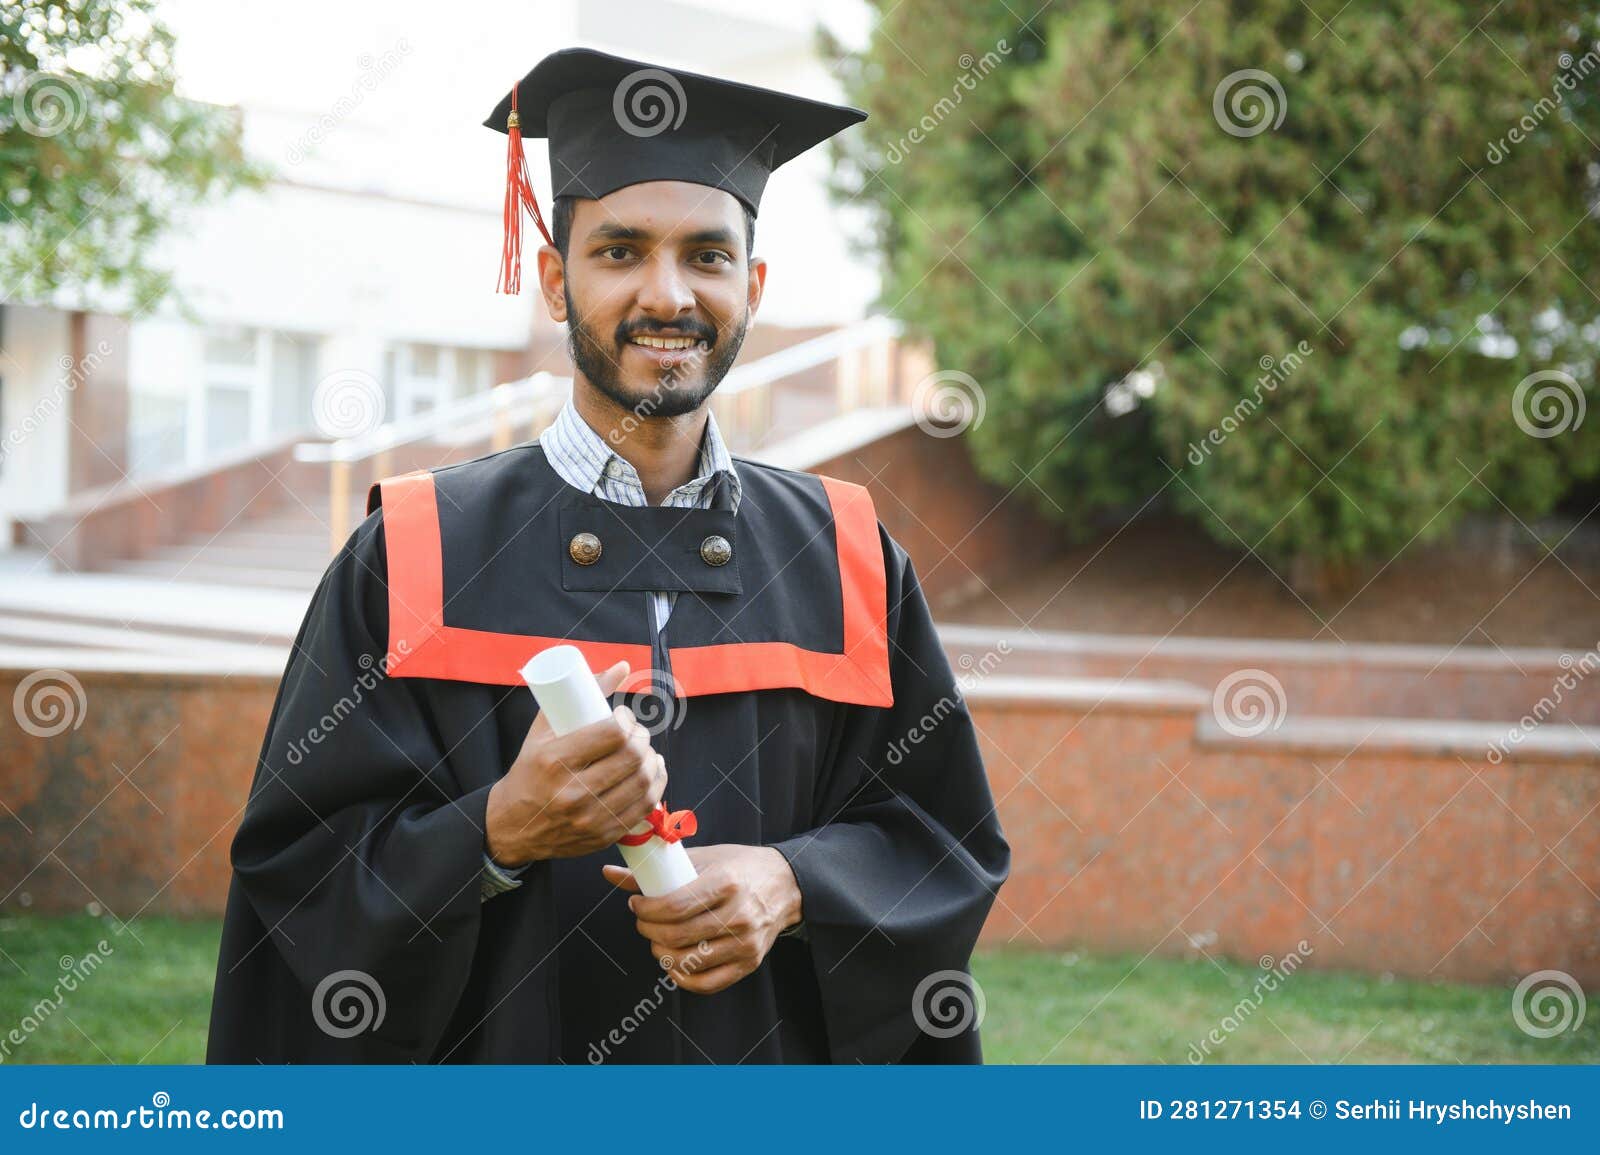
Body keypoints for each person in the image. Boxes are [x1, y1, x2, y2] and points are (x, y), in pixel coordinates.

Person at [206, 47, 1009, 1065]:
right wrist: (495, 832)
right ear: (554, 279)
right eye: (621, 250)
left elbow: (940, 839)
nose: (667, 294)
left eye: (707, 256)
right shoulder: (411, 555)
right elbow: (299, 875)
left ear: (752, 285)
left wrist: (791, 882)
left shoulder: (846, 556)